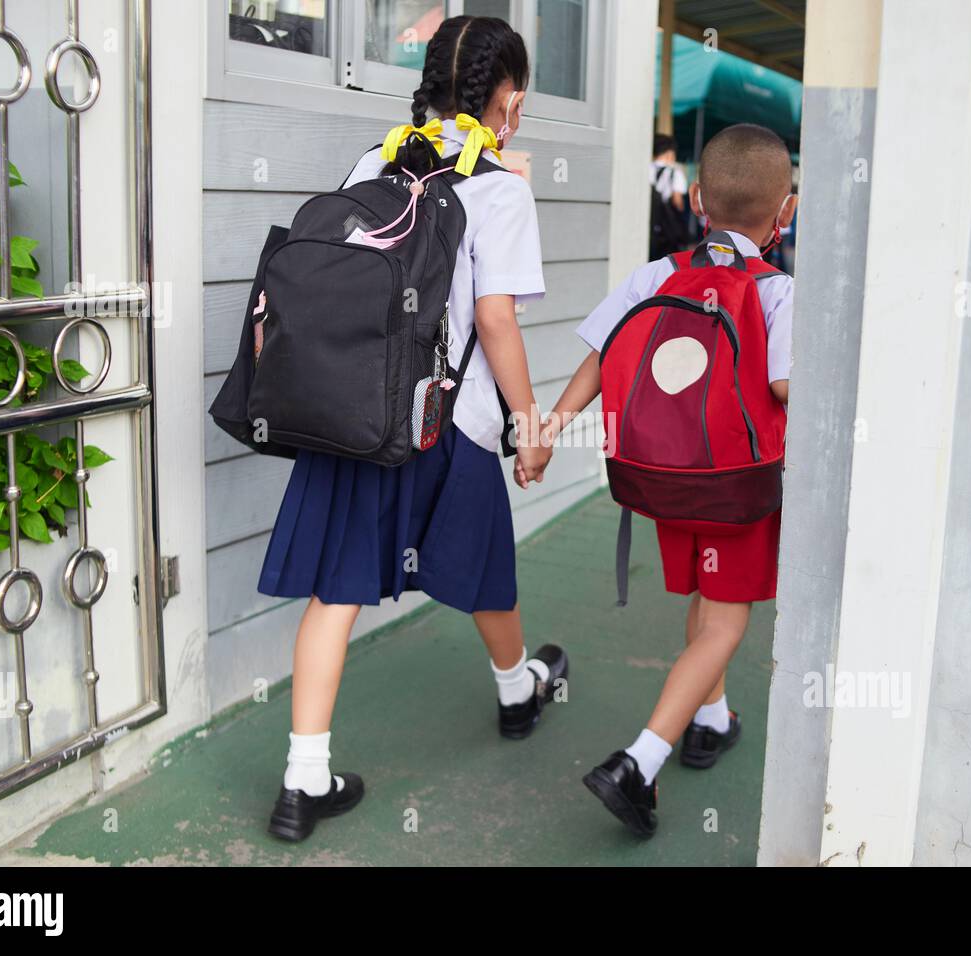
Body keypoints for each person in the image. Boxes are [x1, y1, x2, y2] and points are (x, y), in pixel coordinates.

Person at [256, 15, 565, 843]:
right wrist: (530, 424)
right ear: (509, 98)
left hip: (356, 413)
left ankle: (302, 780)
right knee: (486, 568)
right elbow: (495, 320)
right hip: (447, 421)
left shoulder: (373, 161)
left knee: (336, 591)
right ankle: (518, 691)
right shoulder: (500, 188)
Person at [539, 124, 796, 837]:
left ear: (700, 199)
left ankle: (709, 720)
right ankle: (638, 762)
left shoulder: (656, 275)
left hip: (663, 478)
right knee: (725, 623)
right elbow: (784, 386)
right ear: (787, 210)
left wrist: (548, 430)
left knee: (708, 602)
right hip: (737, 488)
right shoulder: (779, 292)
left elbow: (602, 356)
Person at [649, 133, 689, 260]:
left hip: (648, 223)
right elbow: (677, 201)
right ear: (669, 153)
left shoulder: (646, 168)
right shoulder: (674, 172)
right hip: (666, 228)